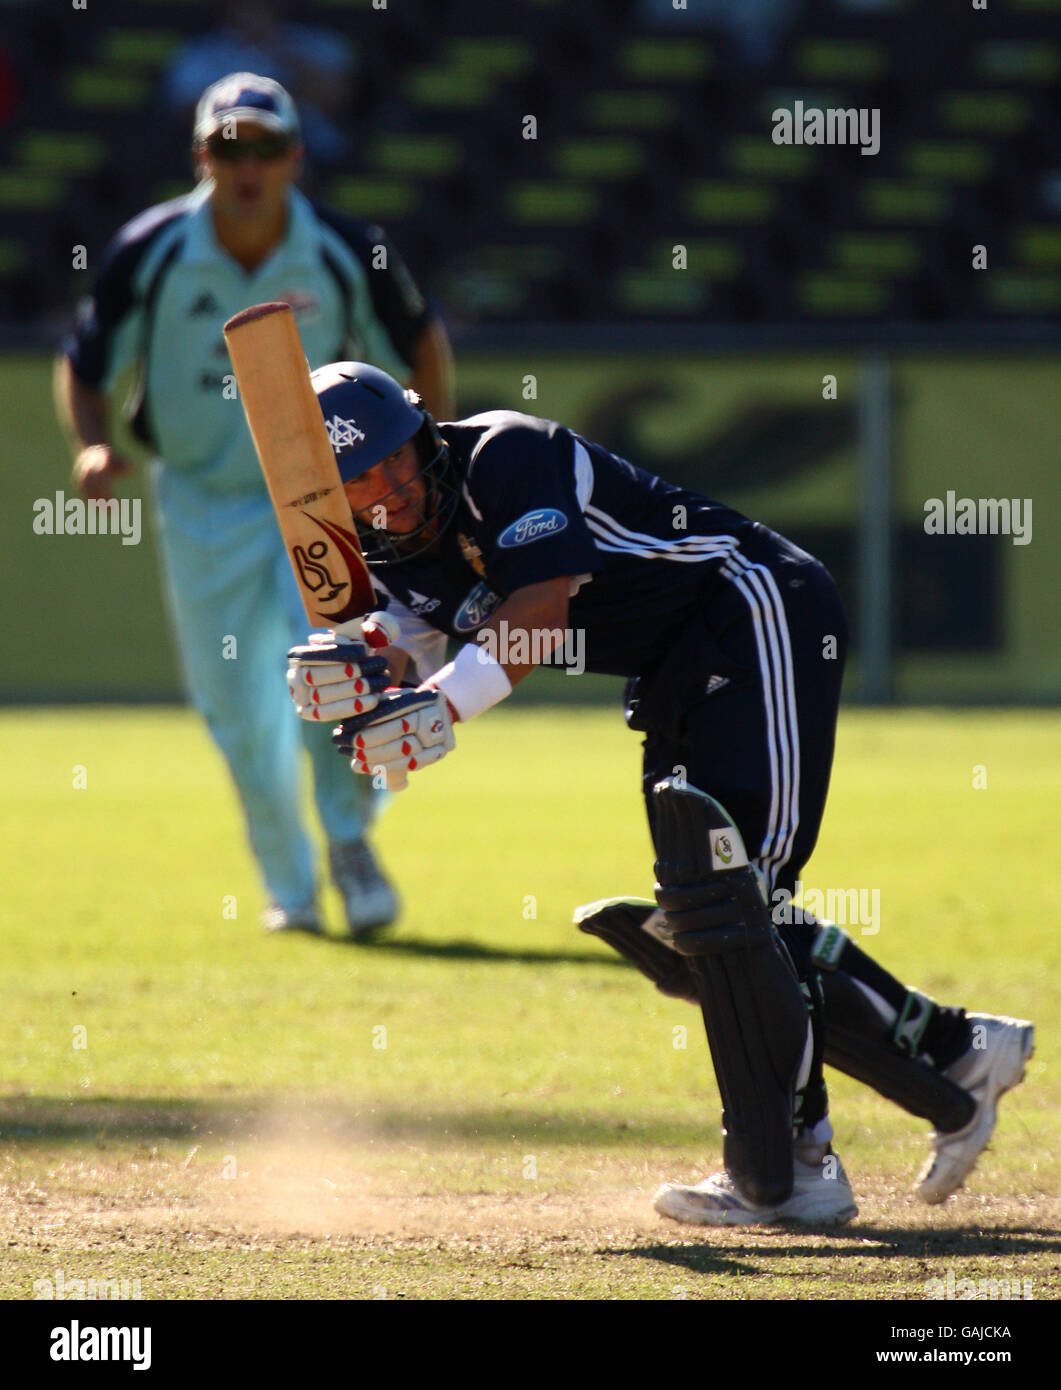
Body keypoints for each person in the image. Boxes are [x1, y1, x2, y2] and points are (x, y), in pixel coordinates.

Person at [284, 362, 1033, 1226]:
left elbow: (535, 610)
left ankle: (793, 1169)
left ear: (421, 437)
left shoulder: (505, 457)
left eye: (390, 463)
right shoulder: (376, 544)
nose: (383, 493)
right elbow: (412, 635)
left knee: (731, 903)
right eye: (355, 481)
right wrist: (362, 675)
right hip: (673, 663)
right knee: (713, 906)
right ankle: (954, 1051)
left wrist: (441, 708)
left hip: (755, 613)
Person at [56, 75, 455, 938]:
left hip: (317, 500)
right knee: (236, 708)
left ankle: (349, 844)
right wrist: (92, 444)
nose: (248, 166)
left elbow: (419, 345)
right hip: (202, 502)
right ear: (202, 156)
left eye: (265, 148)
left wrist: (430, 458)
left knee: (338, 674)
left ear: (294, 159)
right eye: (230, 148)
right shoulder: (152, 249)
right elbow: (85, 366)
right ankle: (292, 889)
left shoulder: (346, 248)